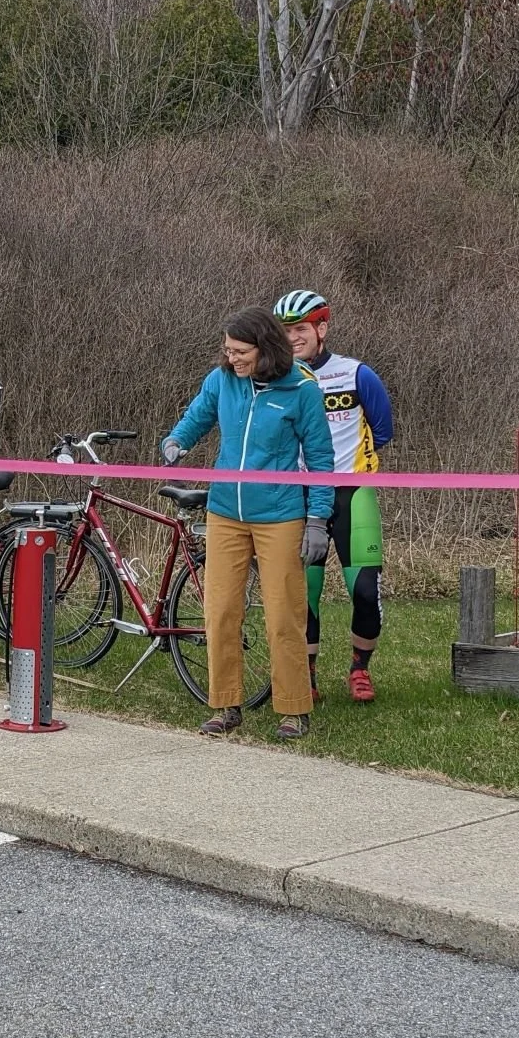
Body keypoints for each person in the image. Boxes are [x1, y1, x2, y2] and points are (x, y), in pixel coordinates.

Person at [161, 306, 335, 740]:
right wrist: (176, 440)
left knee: (283, 615)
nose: (232, 358)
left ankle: (294, 709)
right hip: (225, 513)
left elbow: (321, 461)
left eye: (240, 352)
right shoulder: (222, 380)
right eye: (228, 351)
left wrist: (318, 519)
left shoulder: (302, 390)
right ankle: (225, 705)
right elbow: (198, 415)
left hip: (280, 516)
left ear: (265, 348)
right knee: (220, 612)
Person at [274, 290, 394, 705]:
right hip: (299, 498)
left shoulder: (357, 374)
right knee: (302, 593)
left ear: (322, 329)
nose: (292, 338)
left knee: (363, 590)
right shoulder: (277, 380)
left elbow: (383, 432)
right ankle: (305, 674)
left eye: (300, 329)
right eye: (285, 331)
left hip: (352, 492)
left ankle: (360, 668)